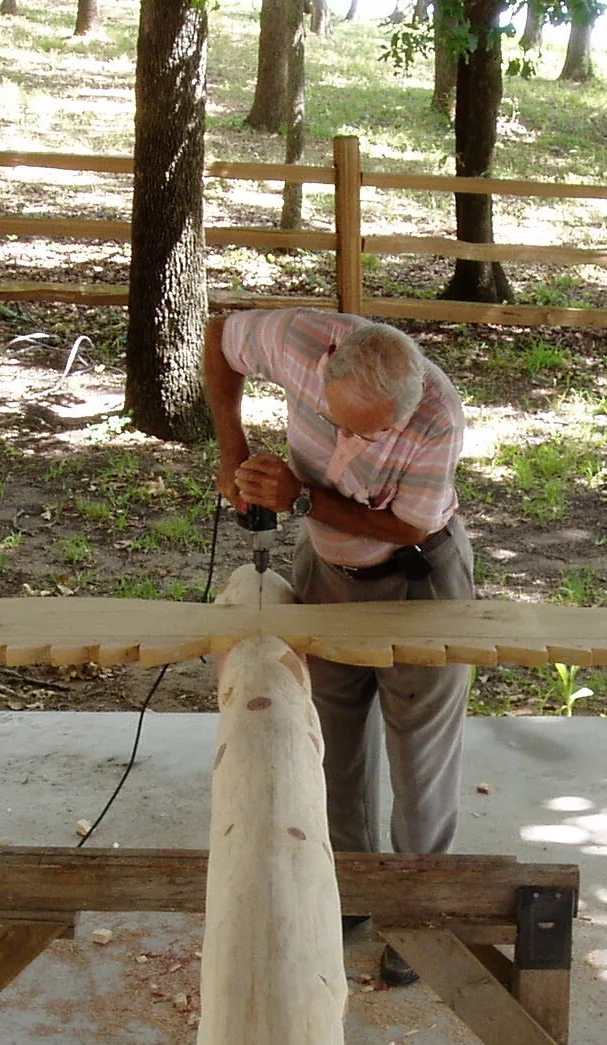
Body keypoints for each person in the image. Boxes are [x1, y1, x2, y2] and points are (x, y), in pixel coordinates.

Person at [204, 310, 472, 986]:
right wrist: (232, 447)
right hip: (327, 570)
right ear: (324, 373)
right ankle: (349, 890)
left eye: (370, 433)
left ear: (410, 405)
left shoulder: (438, 418)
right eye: (339, 421)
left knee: (419, 756)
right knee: (331, 738)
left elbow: (409, 527)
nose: (350, 440)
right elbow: (219, 336)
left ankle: (415, 913)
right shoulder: (298, 341)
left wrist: (300, 499)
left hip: (416, 580)